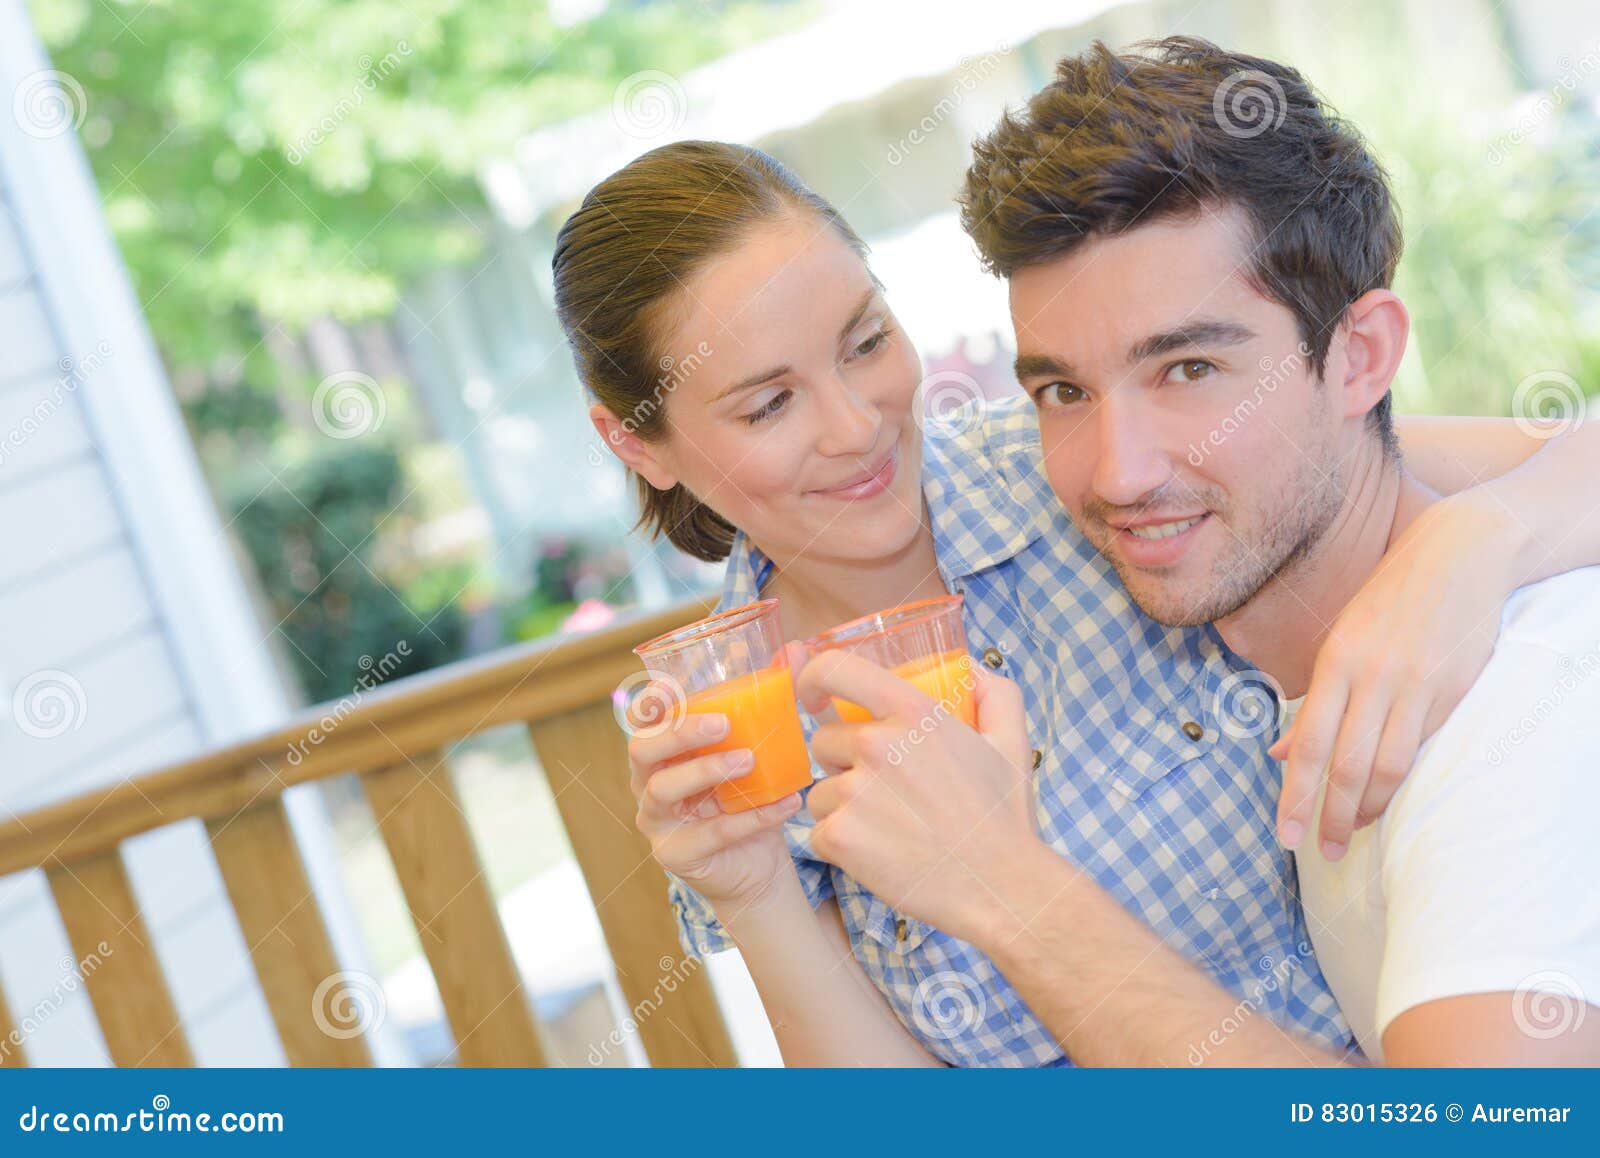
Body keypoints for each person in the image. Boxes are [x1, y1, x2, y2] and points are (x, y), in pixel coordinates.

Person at [552, 130, 1599, 1065]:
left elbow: (1434, 463)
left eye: (865, 343)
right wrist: (756, 895)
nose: (855, 425)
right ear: (634, 442)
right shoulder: (729, 727)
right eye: (770, 403)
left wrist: (1475, 540)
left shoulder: (1090, 468)